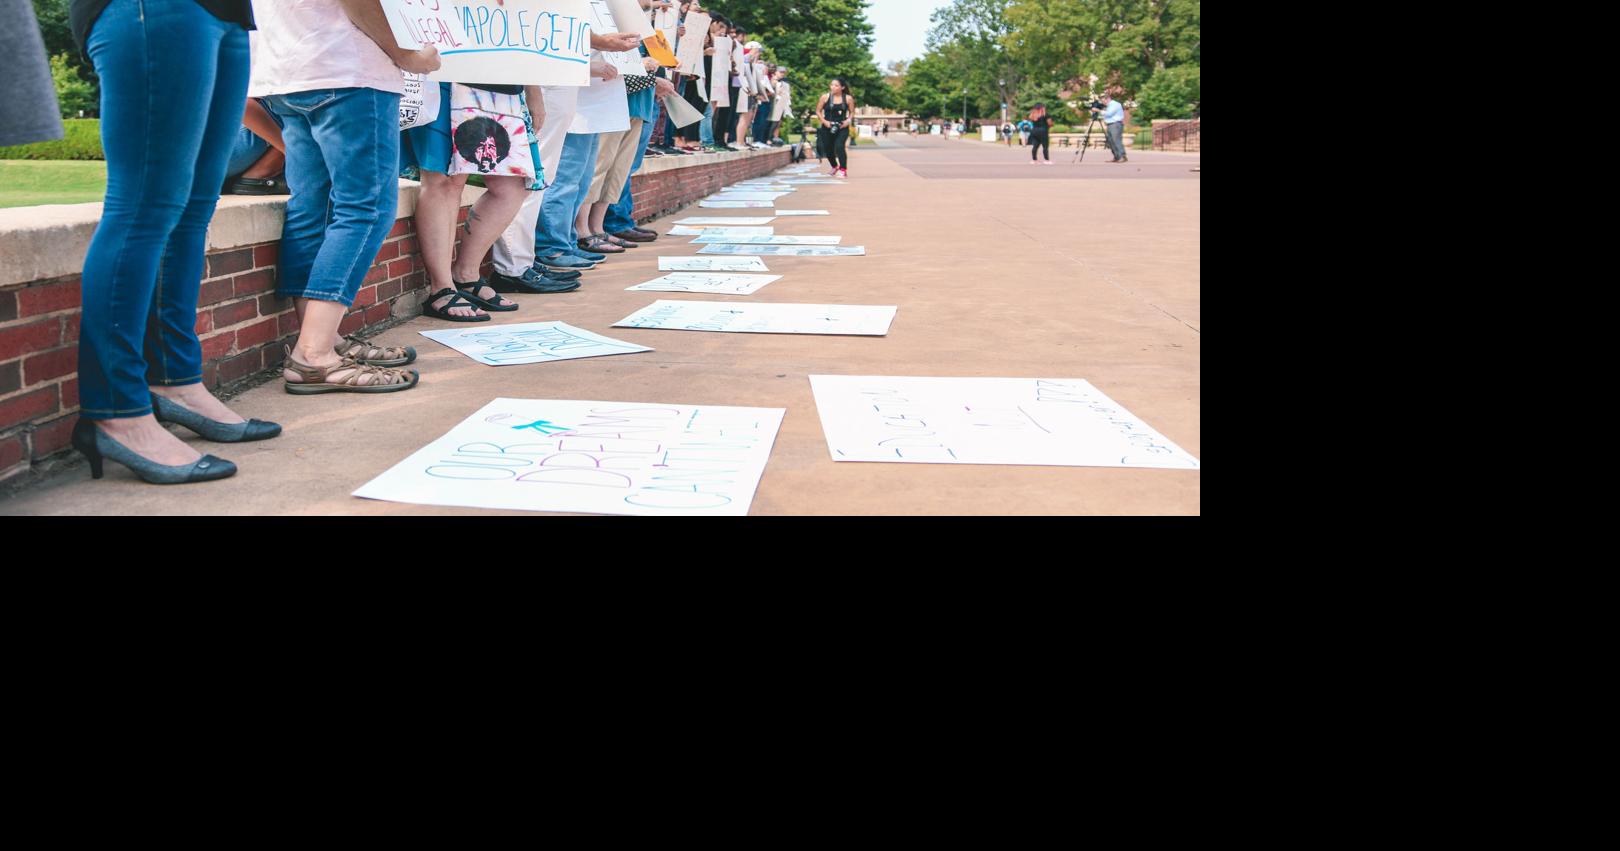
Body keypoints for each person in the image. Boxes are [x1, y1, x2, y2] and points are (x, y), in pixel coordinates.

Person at [69, 0, 266, 484]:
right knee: (143, 207)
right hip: (152, 8)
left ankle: (176, 381)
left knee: (194, 209)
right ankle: (116, 408)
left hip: (228, 15)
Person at [253, 1, 439, 398]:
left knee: (311, 208)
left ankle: (323, 338)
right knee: (366, 210)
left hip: (289, 71)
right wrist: (406, 55)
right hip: (346, 68)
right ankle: (314, 354)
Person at [222, 98, 289, 195]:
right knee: (303, 97)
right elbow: (241, 104)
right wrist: (294, 155)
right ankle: (265, 170)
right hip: (219, 156)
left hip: (200, 167)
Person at [815, 77, 854, 178]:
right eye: (832, 85)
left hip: (842, 126)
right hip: (827, 126)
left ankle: (843, 170)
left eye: (836, 85)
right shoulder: (825, 97)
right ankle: (834, 166)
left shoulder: (848, 98)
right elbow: (818, 111)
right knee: (828, 148)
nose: (833, 87)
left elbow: (852, 112)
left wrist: (848, 121)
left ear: (842, 87)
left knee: (839, 146)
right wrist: (825, 122)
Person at [1099, 92, 1128, 163]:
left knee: (1116, 140)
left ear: (1108, 99)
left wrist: (1098, 111)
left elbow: (1109, 113)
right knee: (1110, 141)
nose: (1103, 103)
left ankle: (1122, 156)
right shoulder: (1109, 106)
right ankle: (1116, 156)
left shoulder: (1115, 104)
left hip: (1115, 124)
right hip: (1110, 124)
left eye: (1103, 101)